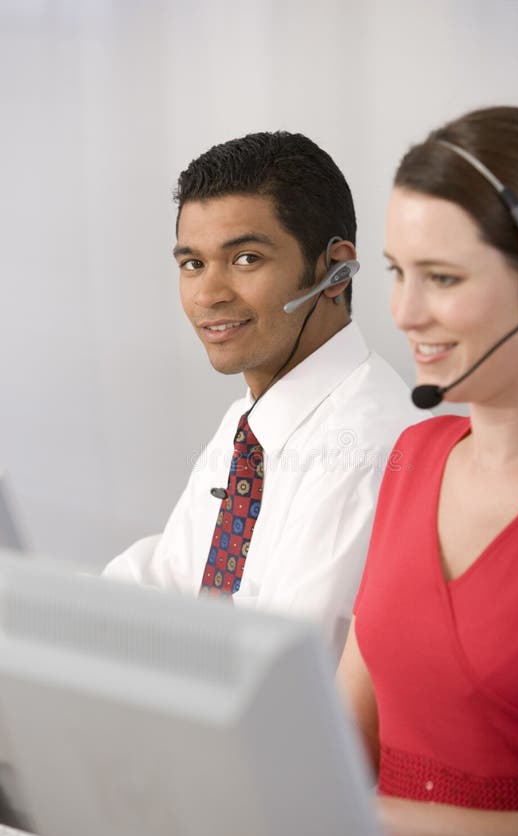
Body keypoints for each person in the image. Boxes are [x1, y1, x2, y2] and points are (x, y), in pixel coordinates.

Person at [338, 106, 518, 836]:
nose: (404, 312)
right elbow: (349, 722)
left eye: (442, 278)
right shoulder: (414, 458)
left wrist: (370, 818)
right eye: (396, 271)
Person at [105, 131, 426, 659]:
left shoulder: (365, 447)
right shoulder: (251, 422)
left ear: (335, 271)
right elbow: (169, 577)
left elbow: (282, 671)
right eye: (192, 264)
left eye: (246, 259)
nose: (209, 294)